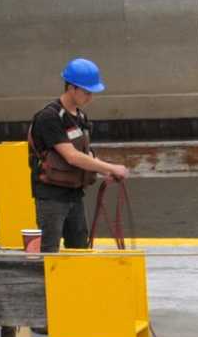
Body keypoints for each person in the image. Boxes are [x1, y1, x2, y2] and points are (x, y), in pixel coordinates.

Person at [29, 58, 128, 253]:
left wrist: (105, 171)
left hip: (74, 194)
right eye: (86, 92)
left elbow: (86, 155)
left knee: (79, 248)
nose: (90, 97)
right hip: (51, 197)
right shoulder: (49, 117)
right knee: (50, 251)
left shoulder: (80, 117)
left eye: (92, 93)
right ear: (71, 88)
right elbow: (72, 156)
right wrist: (110, 167)